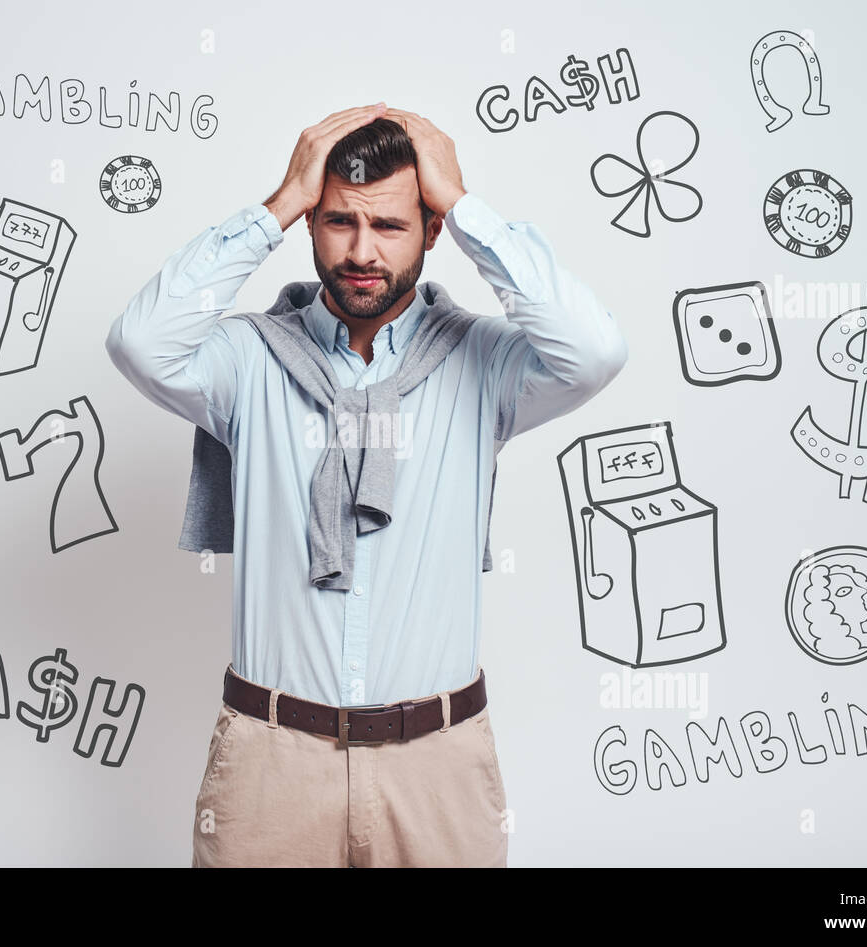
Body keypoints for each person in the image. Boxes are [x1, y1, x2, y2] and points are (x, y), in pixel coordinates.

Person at [106, 102, 627, 867]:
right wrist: (276, 203)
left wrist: (466, 206)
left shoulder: (485, 364)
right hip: (270, 763)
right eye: (339, 221)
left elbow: (595, 349)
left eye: (390, 226)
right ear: (312, 224)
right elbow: (140, 342)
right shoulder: (247, 361)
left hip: (438, 766)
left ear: (431, 231)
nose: (361, 250)